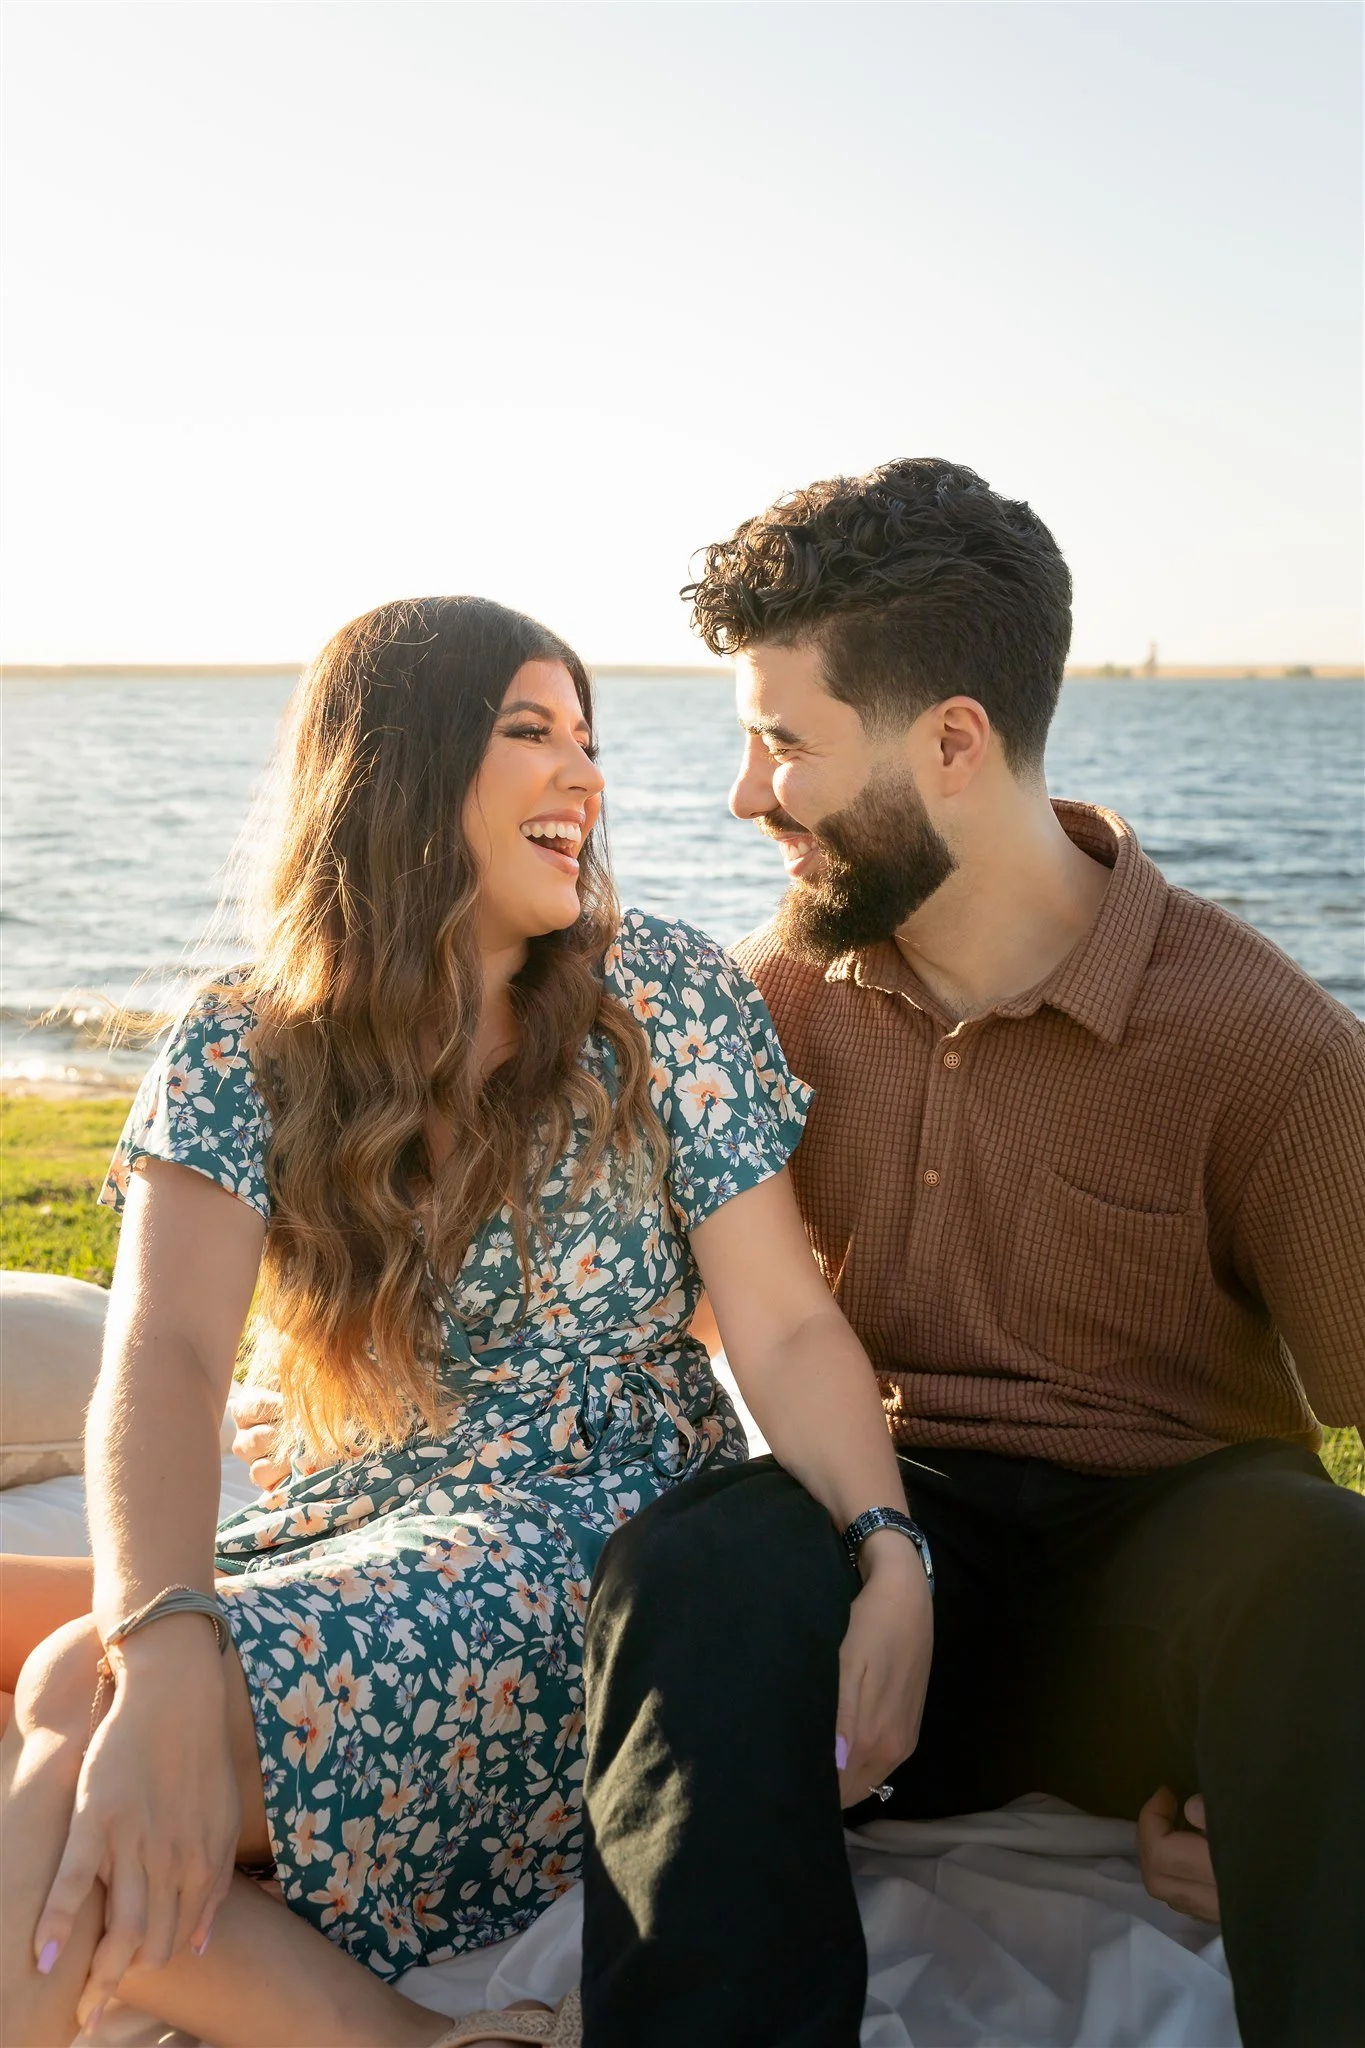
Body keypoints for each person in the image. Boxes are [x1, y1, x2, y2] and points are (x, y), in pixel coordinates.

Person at [0, 596, 929, 2048]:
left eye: (589, 740)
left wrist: (888, 1547)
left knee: (74, 1682)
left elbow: (788, 1331)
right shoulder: (244, 1041)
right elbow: (164, 1357)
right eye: (531, 730)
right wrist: (169, 1636)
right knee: (85, 1701)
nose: (585, 776)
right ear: (405, 765)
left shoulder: (662, 997)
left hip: (597, 1536)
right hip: (358, 1523)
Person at [575, 461, 1365, 2048]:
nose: (747, 797)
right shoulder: (769, 1009)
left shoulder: (1265, 1040)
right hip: (893, 1583)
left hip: (1167, 1605)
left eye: (786, 743)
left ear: (952, 741)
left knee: (1322, 1569)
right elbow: (643, 1318)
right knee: (696, 1562)